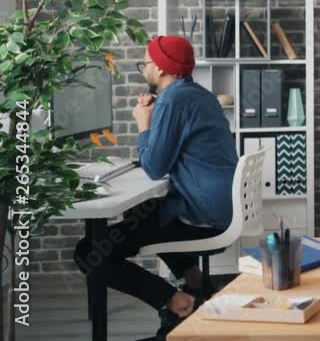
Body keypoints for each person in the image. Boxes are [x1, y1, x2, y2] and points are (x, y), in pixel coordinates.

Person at [74, 35, 237, 340]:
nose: (143, 69)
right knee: (143, 211)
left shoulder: (174, 100)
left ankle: (177, 303)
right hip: (218, 209)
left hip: (203, 218)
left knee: (89, 252)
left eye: (145, 63)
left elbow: (154, 167)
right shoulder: (196, 95)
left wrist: (144, 123)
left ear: (162, 69)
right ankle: (196, 281)